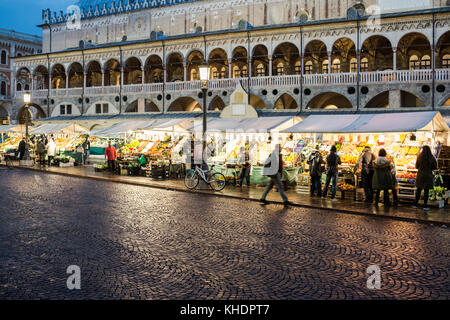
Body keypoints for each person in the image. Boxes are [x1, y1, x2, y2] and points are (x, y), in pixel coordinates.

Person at [413, 146, 437, 211]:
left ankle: (415, 204)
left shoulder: (419, 157)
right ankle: (425, 206)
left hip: (420, 175)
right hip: (428, 175)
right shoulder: (431, 157)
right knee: (426, 191)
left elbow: (416, 166)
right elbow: (435, 167)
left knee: (419, 190)